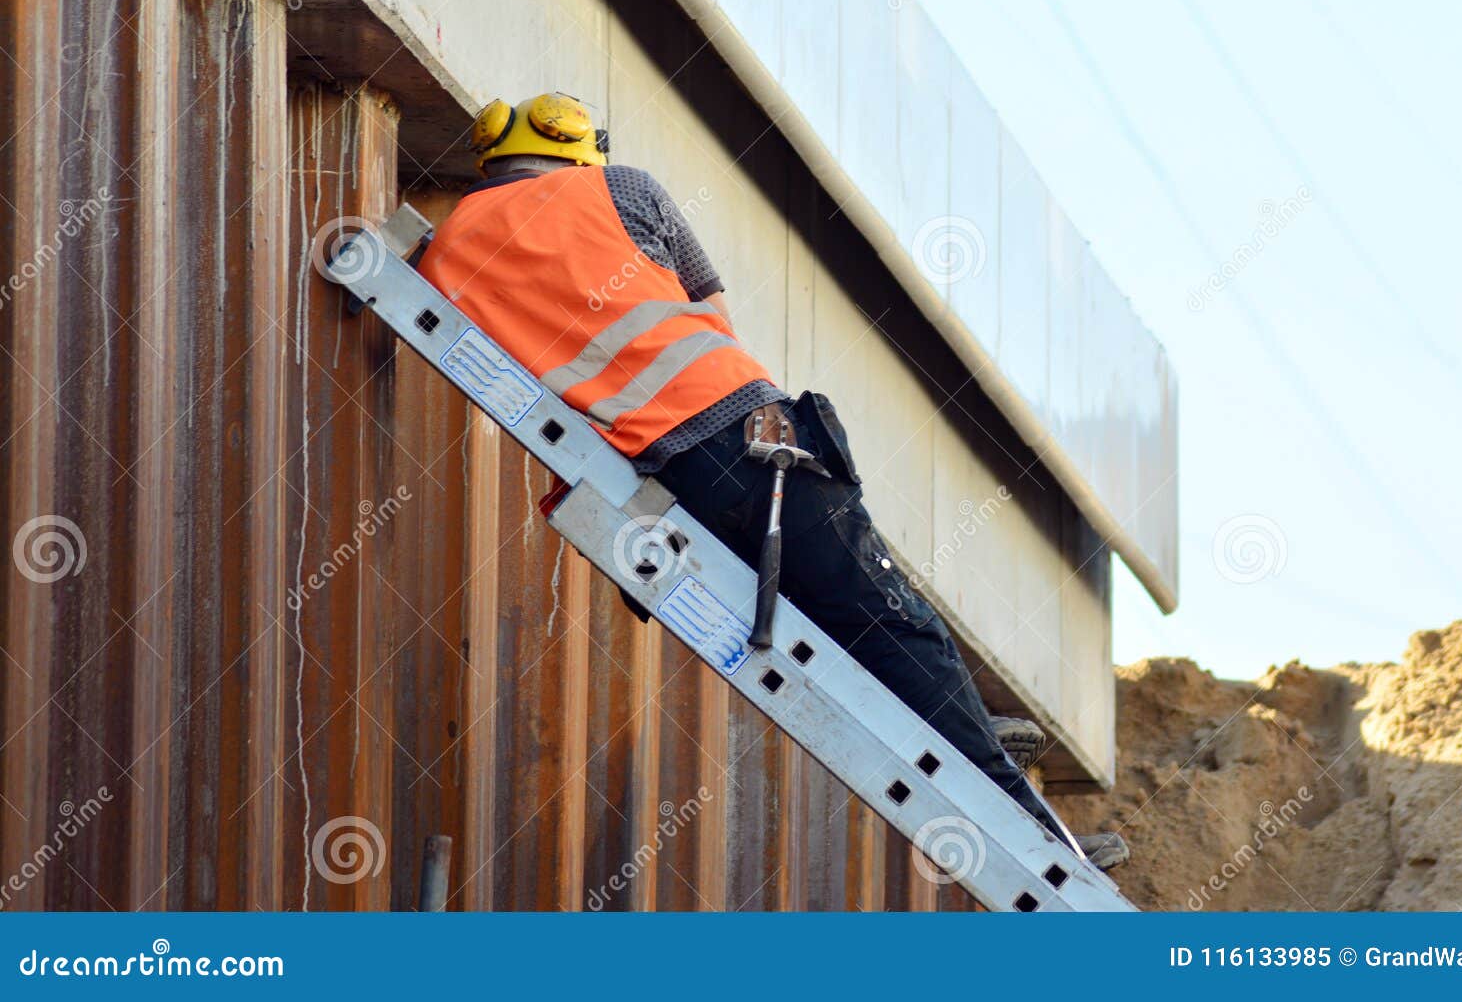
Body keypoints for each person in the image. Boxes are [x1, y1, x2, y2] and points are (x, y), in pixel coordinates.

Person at [418, 93, 1129, 872]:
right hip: (751, 444)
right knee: (892, 622)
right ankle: (1047, 847)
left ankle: (977, 738)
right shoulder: (620, 188)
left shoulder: (448, 252)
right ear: (577, 147)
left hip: (653, 495)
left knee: (841, 639)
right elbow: (712, 311)